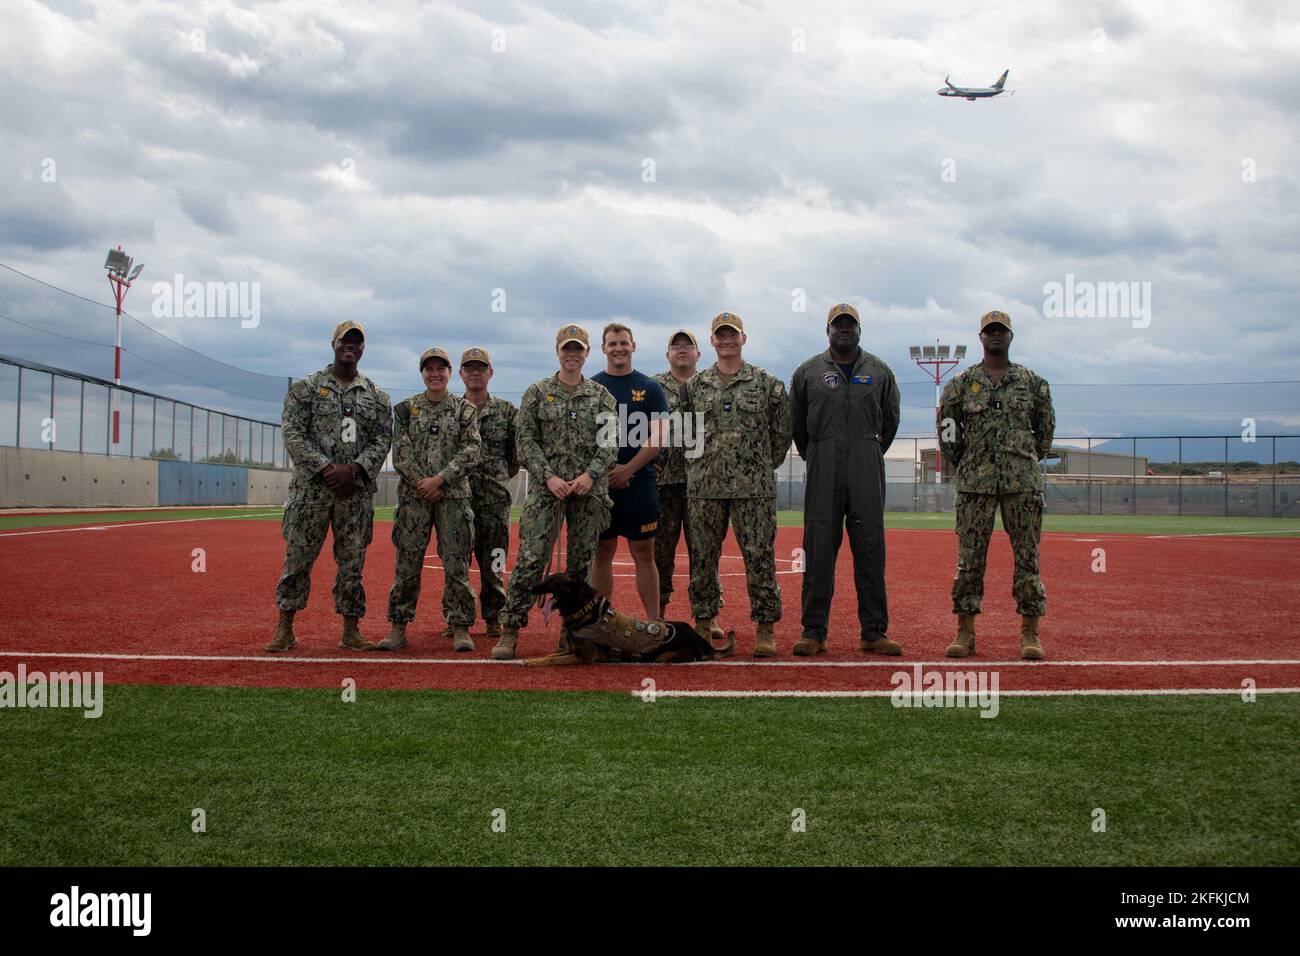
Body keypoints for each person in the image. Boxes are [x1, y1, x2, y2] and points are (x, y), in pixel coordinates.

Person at [492, 325, 618, 660]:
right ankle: (510, 629)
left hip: (588, 492)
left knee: (580, 566)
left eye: (578, 349)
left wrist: (589, 476)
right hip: (546, 492)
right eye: (567, 349)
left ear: (587, 353)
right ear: (557, 352)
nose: (572, 354)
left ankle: (571, 633)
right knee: (531, 559)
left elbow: (609, 444)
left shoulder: (602, 396)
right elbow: (526, 441)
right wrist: (549, 478)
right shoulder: (536, 392)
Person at [266, 321, 392, 652]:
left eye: (356, 342)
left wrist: (354, 469)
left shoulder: (377, 397)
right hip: (311, 492)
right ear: (333, 344)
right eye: (344, 341)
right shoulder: (305, 389)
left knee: (352, 565)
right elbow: (293, 433)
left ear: (363, 349)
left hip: (354, 494)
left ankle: (351, 630)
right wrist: (325, 468)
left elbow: (381, 439)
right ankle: (285, 628)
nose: (350, 346)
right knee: (297, 561)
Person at [937, 310, 1056, 660]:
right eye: (989, 332)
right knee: (969, 560)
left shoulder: (1032, 383)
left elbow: (1045, 431)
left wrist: (1024, 459)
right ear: (981, 338)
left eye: (1001, 331)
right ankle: (965, 632)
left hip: (1022, 485)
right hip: (975, 485)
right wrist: (969, 462)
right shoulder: (960, 385)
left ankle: (1030, 633)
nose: (995, 337)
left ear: (1010, 337)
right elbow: (948, 434)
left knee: (1028, 558)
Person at [790, 303, 902, 656]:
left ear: (859, 330)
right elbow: (797, 427)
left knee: (871, 549)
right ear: (828, 331)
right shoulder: (808, 372)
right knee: (819, 549)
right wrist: (821, 453)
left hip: (866, 463)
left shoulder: (880, 371)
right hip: (823, 463)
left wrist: (866, 450)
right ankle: (813, 631)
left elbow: (890, 421)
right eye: (837, 325)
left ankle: (874, 632)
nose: (844, 330)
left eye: (850, 325)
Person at [678, 312, 792, 657]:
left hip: (753, 489)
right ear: (712, 341)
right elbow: (686, 434)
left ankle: (765, 628)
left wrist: (759, 465)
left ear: (744, 338)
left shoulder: (766, 383)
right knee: (703, 559)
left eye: (733, 335)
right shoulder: (694, 387)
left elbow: (782, 432)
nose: (727, 340)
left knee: (759, 557)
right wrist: (701, 467)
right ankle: (703, 621)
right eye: (720, 335)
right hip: (705, 488)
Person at [376, 347, 481, 652]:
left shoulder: (465, 411)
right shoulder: (405, 410)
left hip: (454, 498)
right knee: (407, 564)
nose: (435, 374)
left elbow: (471, 450)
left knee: (457, 565)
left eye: (441, 369)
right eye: (429, 369)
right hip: (414, 499)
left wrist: (440, 479)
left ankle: (460, 625)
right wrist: (423, 483)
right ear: (422, 373)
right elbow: (401, 452)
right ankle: (398, 626)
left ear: (450, 373)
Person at [439, 347, 518, 648]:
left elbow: (514, 457)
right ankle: (455, 617)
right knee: (455, 560)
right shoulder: (450, 410)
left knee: (495, 560)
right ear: (460, 374)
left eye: (481, 368)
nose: (475, 372)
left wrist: (495, 477)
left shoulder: (507, 412)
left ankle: (495, 616)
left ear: (490, 373)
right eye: (469, 368)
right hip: (457, 497)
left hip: (494, 499)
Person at [591, 323, 668, 621]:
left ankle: (654, 622)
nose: (618, 348)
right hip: (601, 485)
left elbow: (659, 436)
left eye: (623, 342)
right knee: (602, 552)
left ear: (633, 346)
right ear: (603, 349)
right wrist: (607, 471)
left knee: (644, 552)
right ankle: (600, 622)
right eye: (612, 343)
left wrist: (628, 469)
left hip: (640, 483)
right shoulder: (592, 387)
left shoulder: (650, 388)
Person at [650, 329, 701, 619]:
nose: (682, 349)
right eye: (676, 346)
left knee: (703, 553)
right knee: (660, 553)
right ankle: (658, 613)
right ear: (667, 354)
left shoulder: (709, 385)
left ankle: (706, 615)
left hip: (700, 484)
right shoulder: (653, 387)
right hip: (663, 484)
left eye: (688, 345)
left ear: (698, 353)